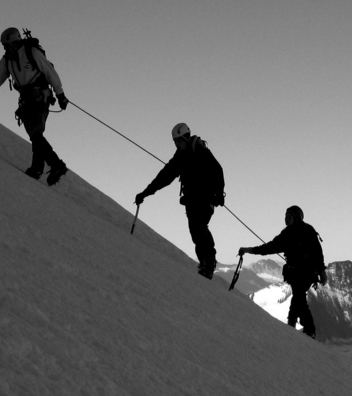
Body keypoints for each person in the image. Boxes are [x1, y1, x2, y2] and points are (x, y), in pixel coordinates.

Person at [0, 27, 70, 186]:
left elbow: (49, 72)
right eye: (4, 46)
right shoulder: (7, 59)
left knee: (35, 132)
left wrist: (60, 94)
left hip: (41, 96)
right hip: (26, 100)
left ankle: (56, 164)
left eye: (7, 45)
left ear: (15, 42)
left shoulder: (32, 52)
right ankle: (37, 168)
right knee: (35, 134)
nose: (6, 49)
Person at [135, 123, 225, 279]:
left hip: (204, 198)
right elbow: (164, 177)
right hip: (191, 199)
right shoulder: (179, 157)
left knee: (199, 226)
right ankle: (205, 262)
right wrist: (146, 192)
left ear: (185, 138)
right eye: (175, 142)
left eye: (178, 141)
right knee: (195, 231)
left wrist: (219, 194)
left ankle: (209, 262)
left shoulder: (201, 152)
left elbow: (217, 170)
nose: (177, 144)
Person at [238, 206, 327, 338]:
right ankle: (296, 324)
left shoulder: (306, 231)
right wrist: (249, 250)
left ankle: (308, 328)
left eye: (289, 216)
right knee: (298, 296)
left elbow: (318, 253)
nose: (286, 219)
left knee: (299, 296)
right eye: (285, 216)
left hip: (305, 273)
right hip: (300, 273)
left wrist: (322, 272)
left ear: (296, 218)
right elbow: (269, 247)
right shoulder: (290, 233)